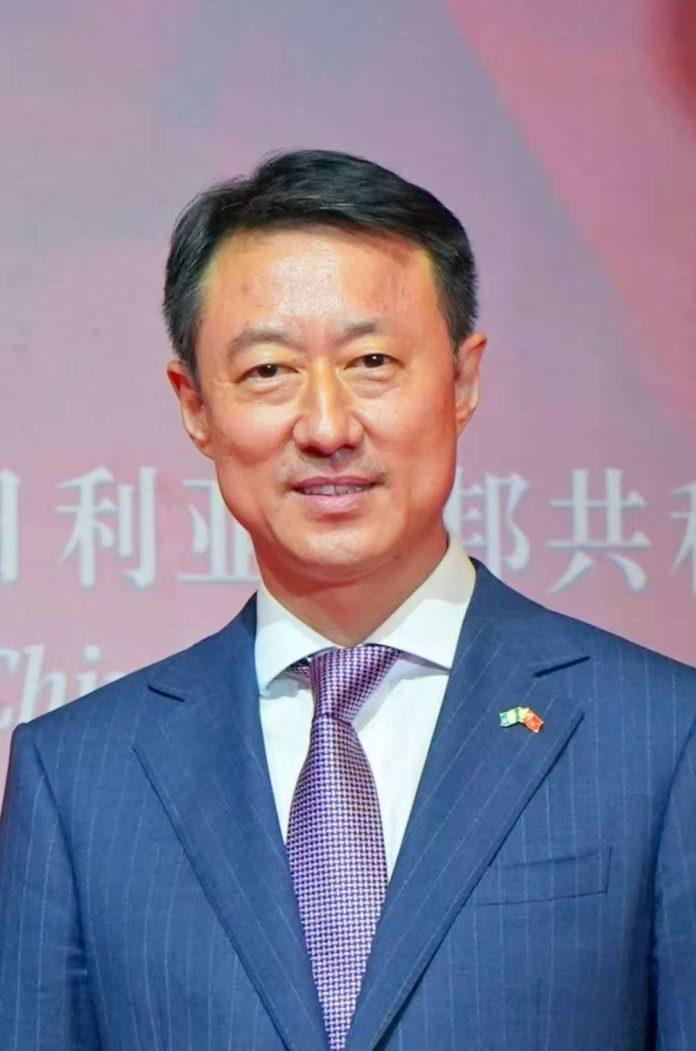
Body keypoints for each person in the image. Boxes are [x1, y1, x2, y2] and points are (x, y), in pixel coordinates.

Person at [0, 149, 694, 1051]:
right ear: (195, 405)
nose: (326, 426)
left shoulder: (660, 736)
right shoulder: (79, 779)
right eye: (267, 371)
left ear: (463, 381)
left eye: (372, 360)